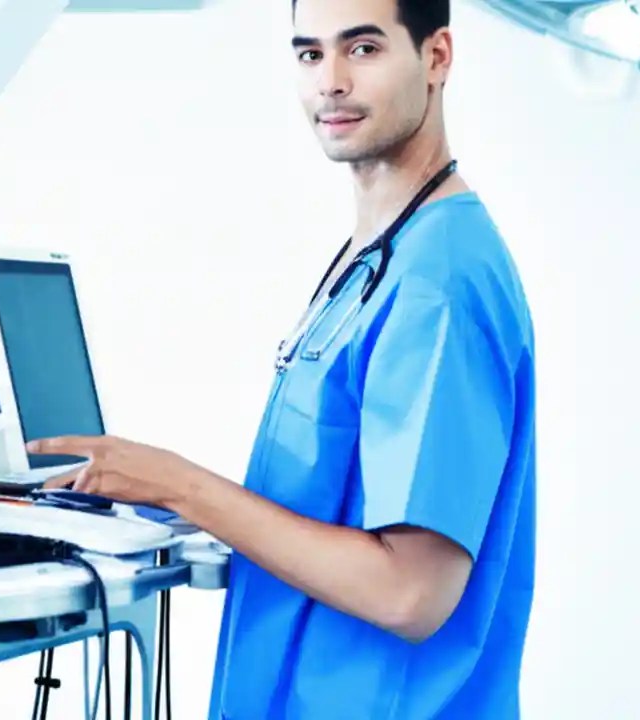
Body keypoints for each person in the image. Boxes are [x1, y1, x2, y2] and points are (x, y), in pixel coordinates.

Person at [28, 0, 536, 716]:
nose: (330, 81)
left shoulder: (439, 281)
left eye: (362, 50)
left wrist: (183, 487)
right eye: (309, 54)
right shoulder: (380, 256)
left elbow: (411, 593)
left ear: (437, 56)